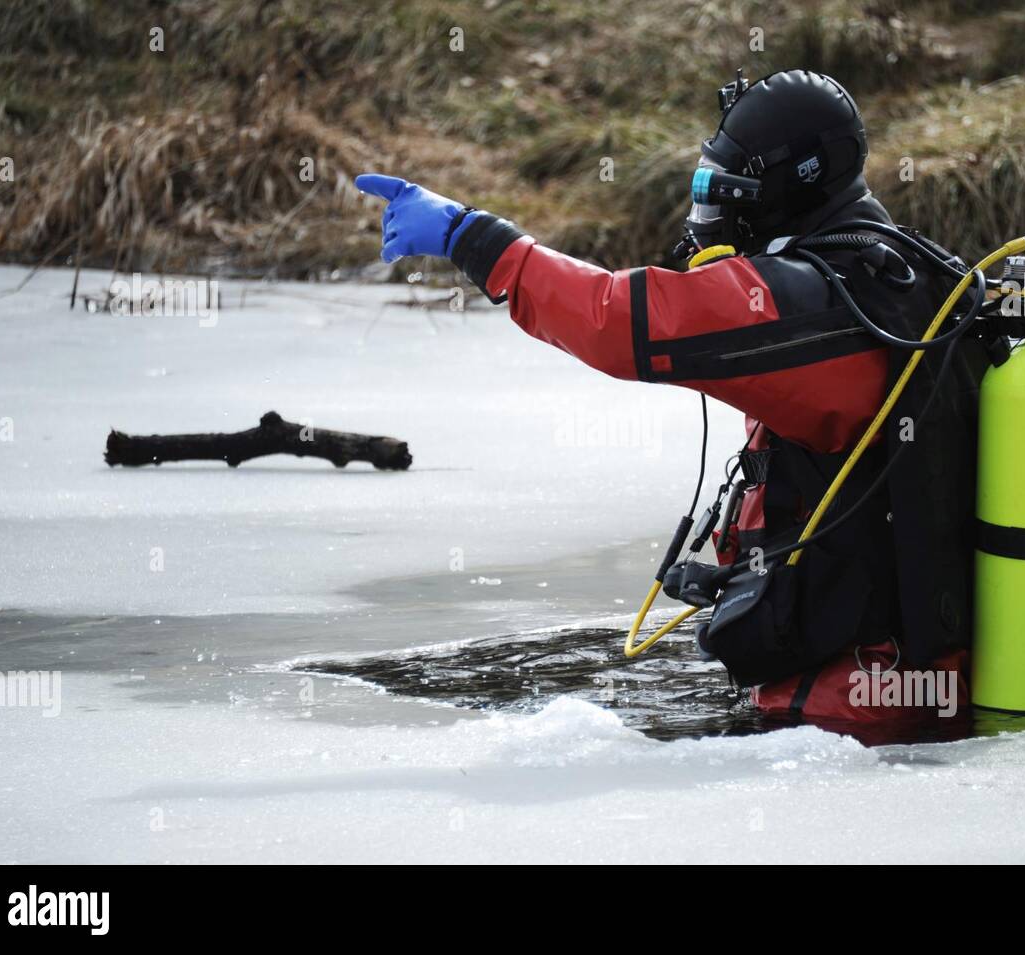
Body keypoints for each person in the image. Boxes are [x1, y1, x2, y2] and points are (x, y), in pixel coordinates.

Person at [357, 70, 987, 734]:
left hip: (851, 708)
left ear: (784, 190)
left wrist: (471, 237)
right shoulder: (906, 274)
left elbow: (617, 321)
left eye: (727, 191)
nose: (712, 210)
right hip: (914, 676)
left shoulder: (815, 302)